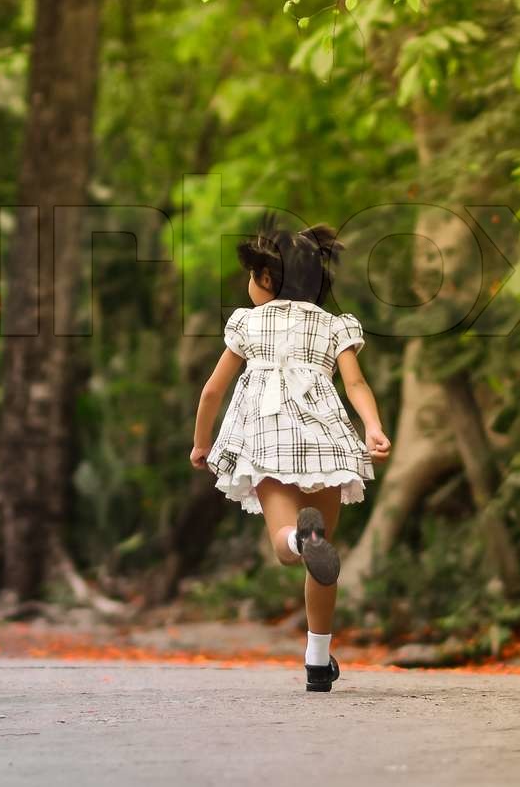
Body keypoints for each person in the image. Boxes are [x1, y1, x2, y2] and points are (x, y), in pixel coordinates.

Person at [190, 220, 391, 692]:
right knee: (325, 555)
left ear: (263, 280)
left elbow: (211, 391)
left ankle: (300, 542)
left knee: (286, 544)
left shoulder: (247, 322)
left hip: (269, 440)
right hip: (326, 443)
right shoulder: (333, 325)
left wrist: (202, 443)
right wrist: (374, 427)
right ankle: (318, 660)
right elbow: (356, 384)